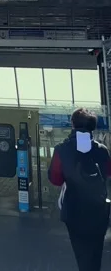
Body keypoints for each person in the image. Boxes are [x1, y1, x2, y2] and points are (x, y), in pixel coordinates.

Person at [48, 107, 111, 271]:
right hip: (98, 211)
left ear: (72, 125)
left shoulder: (62, 150)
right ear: (93, 127)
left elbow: (55, 179)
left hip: (74, 211)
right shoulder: (102, 151)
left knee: (82, 253)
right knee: (95, 253)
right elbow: (109, 173)